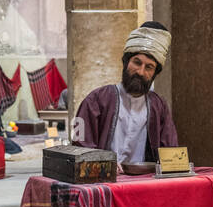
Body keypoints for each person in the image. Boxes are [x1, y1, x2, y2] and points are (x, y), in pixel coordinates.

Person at [73, 21, 178, 163]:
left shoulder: (159, 106)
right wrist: (104, 164)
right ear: (126, 62)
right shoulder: (96, 100)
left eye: (149, 67)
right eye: (137, 62)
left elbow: (171, 153)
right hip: (104, 181)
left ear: (155, 73)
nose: (140, 72)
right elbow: (79, 148)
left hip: (144, 182)